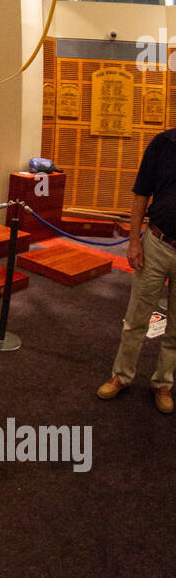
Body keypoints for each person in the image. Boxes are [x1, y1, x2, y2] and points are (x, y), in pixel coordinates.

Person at [97, 127, 176, 413]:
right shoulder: (163, 143)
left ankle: (163, 384)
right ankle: (121, 376)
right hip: (156, 243)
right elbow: (141, 194)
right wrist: (133, 242)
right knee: (136, 318)